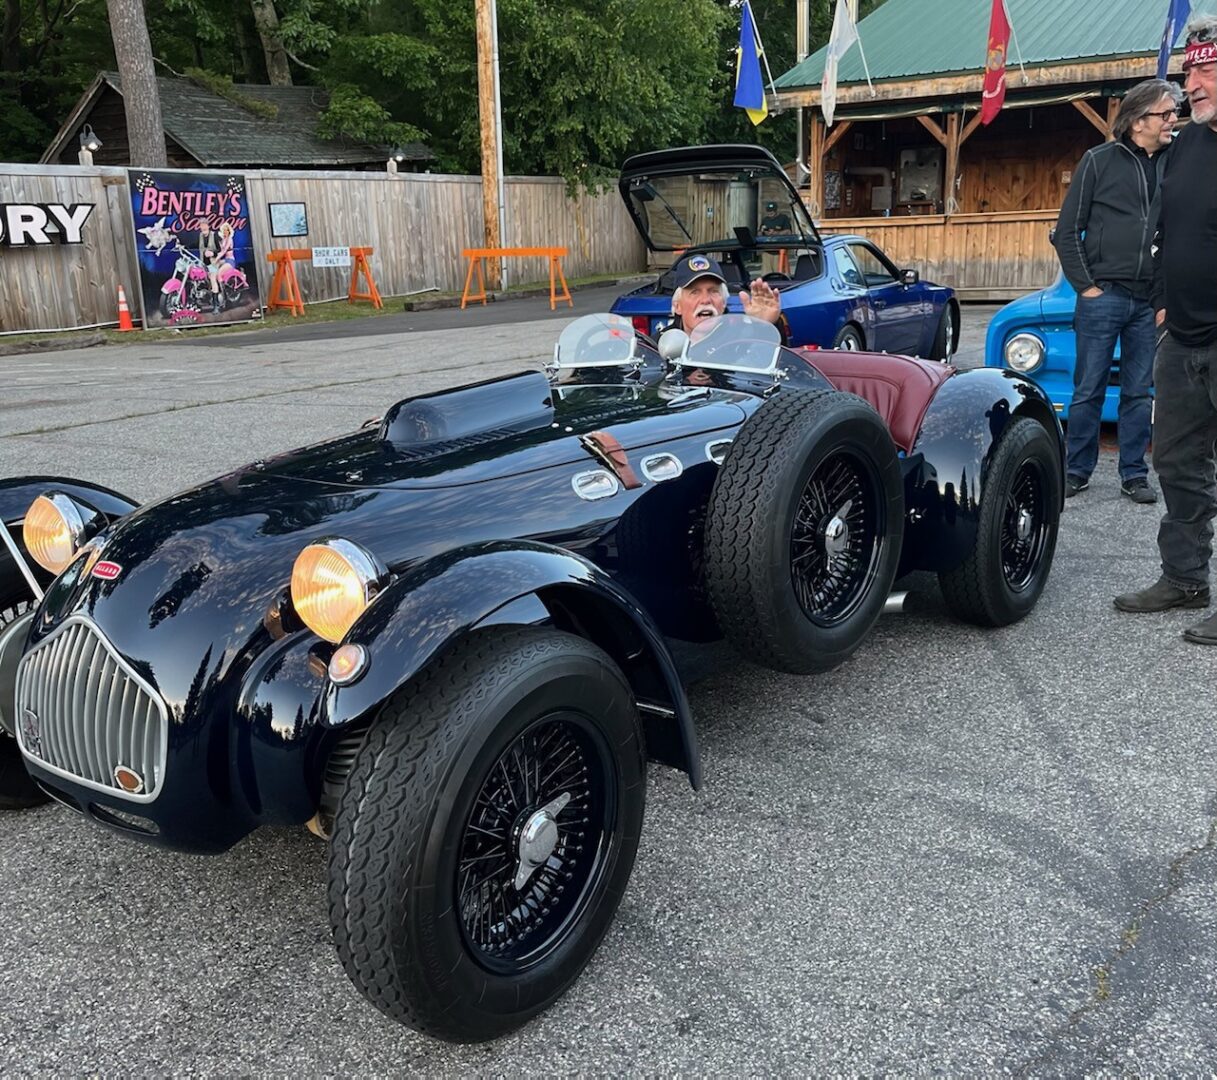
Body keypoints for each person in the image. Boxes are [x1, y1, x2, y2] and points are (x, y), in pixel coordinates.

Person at [1113, 17, 1217, 645]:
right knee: (1177, 462)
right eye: (1189, 72)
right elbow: (1165, 234)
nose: (1190, 85)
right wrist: (1159, 301)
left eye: (1206, 70)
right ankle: (1184, 578)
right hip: (1183, 336)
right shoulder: (1188, 147)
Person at [1052, 78, 1180, 505]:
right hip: (1102, 296)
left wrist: (1164, 299)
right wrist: (1086, 287)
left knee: (1139, 391)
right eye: (1164, 114)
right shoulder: (1098, 161)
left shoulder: (1174, 161)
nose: (1172, 120)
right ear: (1138, 120)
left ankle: (1133, 474)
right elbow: (1067, 230)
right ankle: (1076, 470)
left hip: (1149, 302)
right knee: (1087, 387)